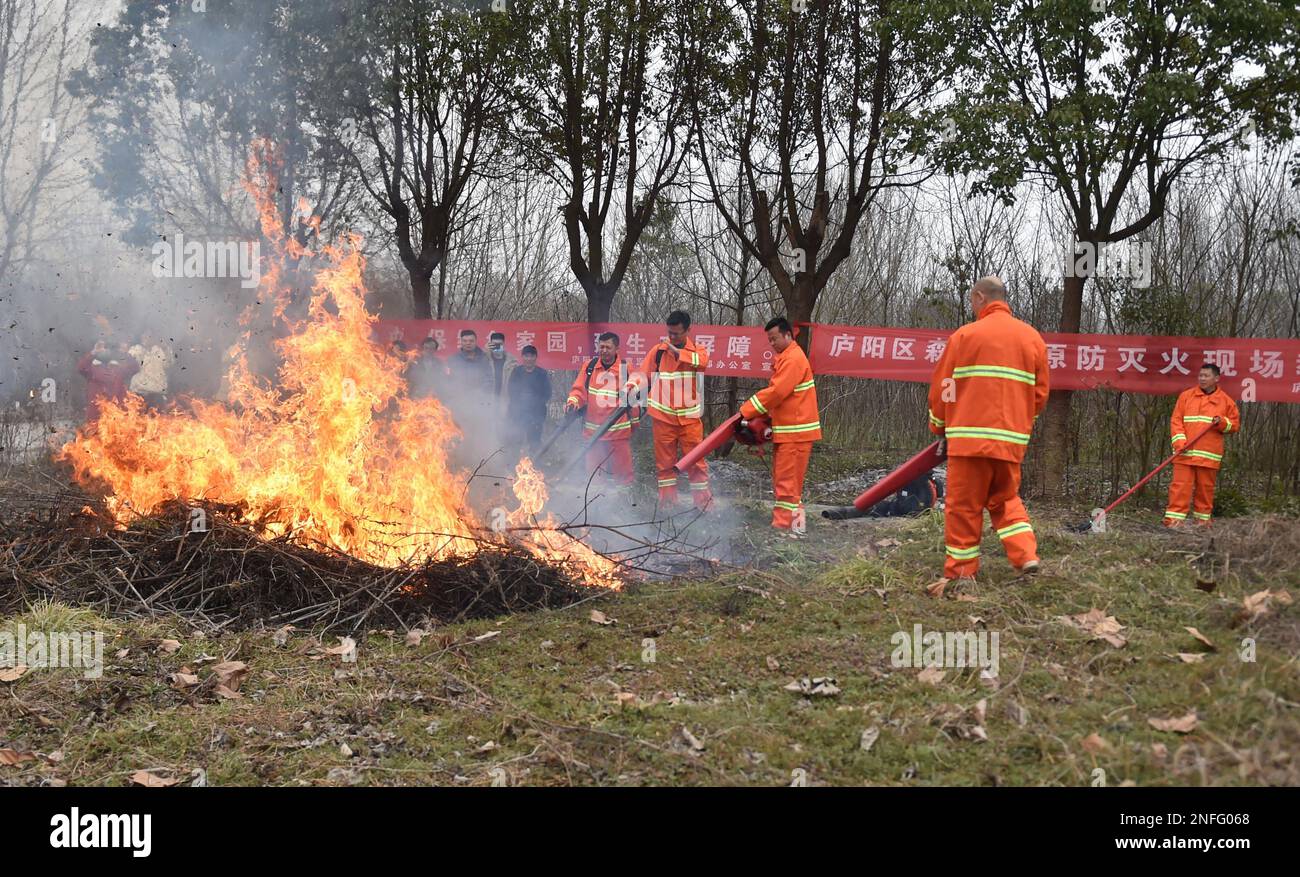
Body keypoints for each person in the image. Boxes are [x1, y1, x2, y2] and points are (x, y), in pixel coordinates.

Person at [926, 275, 1049, 593]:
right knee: (1006, 499)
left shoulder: (965, 336)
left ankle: (962, 573)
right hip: (1010, 441)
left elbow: (946, 388)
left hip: (968, 441)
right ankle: (1026, 557)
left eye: (971, 300)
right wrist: (1020, 423)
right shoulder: (1032, 339)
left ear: (980, 297)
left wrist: (940, 424)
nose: (971, 306)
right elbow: (1039, 395)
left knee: (964, 507)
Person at [739, 317, 821, 532]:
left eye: (774, 338)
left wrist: (746, 411)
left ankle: (783, 530)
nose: (772, 343)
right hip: (790, 433)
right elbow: (781, 398)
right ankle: (796, 529)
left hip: (795, 434)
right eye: (769, 340)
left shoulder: (793, 359)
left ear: (788, 335)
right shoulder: (787, 358)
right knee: (790, 488)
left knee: (787, 488)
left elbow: (776, 392)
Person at [627, 310, 711, 510]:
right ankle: (667, 506)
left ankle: (704, 507)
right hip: (663, 419)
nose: (671, 337)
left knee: (696, 464)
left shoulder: (697, 352)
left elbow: (703, 362)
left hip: (689, 421)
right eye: (669, 333)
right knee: (665, 467)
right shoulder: (658, 351)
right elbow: (643, 374)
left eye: (676, 334)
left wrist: (677, 352)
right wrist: (631, 385)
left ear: (688, 330)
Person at [1164, 363, 1240, 527]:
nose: (1202, 379)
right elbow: (1176, 421)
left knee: (1205, 491)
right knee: (1179, 488)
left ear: (1216, 378)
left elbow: (1234, 425)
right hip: (1185, 453)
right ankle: (1173, 522)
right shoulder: (1186, 396)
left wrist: (1222, 422)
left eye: (1206, 376)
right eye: (1201, 376)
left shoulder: (1226, 401)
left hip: (1208, 455)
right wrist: (1179, 442)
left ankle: (1203, 524)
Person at [564, 332, 638, 486]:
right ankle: (596, 506)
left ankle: (626, 504)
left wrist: (634, 425)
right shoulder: (590, 367)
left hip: (618, 432)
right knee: (594, 476)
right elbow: (579, 391)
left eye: (608, 347)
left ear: (617, 348)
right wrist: (573, 403)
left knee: (624, 475)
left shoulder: (626, 369)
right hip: (594, 434)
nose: (603, 350)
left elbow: (636, 399)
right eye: (601, 346)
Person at [77, 339, 139, 424]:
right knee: (93, 435)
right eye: (102, 347)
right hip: (95, 412)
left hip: (117, 412)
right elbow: (81, 367)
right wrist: (94, 352)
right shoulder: (92, 367)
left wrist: (124, 353)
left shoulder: (119, 367)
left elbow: (135, 367)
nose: (104, 350)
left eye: (106, 347)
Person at [505, 345, 551, 457]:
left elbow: (547, 394)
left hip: (536, 415)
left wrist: (535, 407)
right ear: (522, 357)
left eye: (531, 356)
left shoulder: (542, 374)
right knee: (516, 441)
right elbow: (511, 391)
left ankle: (535, 467)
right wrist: (518, 408)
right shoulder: (516, 372)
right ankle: (514, 466)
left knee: (534, 443)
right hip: (517, 414)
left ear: (536, 357)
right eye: (526, 356)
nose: (529, 359)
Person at [865, 473, 944, 518]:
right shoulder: (931, 481)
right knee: (888, 506)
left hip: (912, 510)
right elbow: (940, 494)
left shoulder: (926, 483)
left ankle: (871, 510)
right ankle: (871, 509)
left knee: (888, 506)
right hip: (921, 510)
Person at [128, 333, 171, 408]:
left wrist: (165, 348)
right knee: (138, 416)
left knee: (158, 417)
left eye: (149, 335)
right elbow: (130, 363)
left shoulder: (160, 350)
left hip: (157, 391)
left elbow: (168, 364)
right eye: (144, 335)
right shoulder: (135, 349)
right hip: (139, 391)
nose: (146, 338)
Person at [488, 331, 509, 399]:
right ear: (490, 344)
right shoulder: (484, 360)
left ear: (504, 344)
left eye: (499, 344)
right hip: (487, 399)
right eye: (494, 344)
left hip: (504, 400)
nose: (497, 347)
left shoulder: (511, 362)